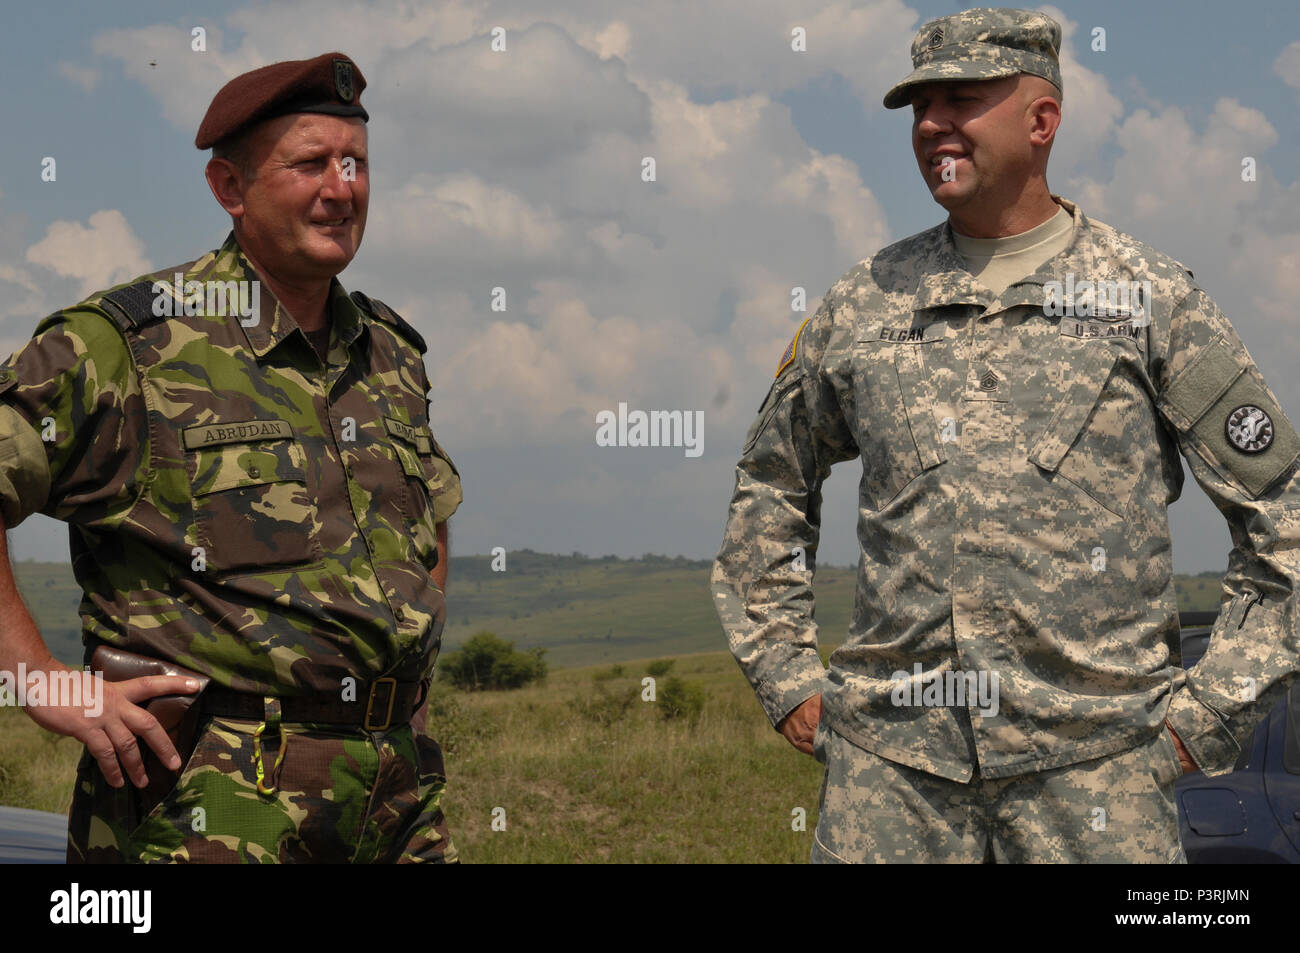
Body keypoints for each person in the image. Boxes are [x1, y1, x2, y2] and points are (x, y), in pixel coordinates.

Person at [712, 7, 1300, 863]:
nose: (932, 126)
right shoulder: (865, 303)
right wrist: (788, 676)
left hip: (1097, 782)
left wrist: (1206, 719)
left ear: (1041, 120)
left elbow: (1284, 515)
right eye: (919, 107)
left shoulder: (1150, 299)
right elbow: (769, 484)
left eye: (962, 99)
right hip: (893, 785)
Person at [0, 52, 464, 863]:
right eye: (310, 163)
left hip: (394, 797)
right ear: (230, 188)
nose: (341, 187)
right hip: (214, 797)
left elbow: (432, 515)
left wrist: (409, 670)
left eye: (355, 163)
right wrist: (37, 680)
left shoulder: (388, 349)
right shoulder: (132, 346)